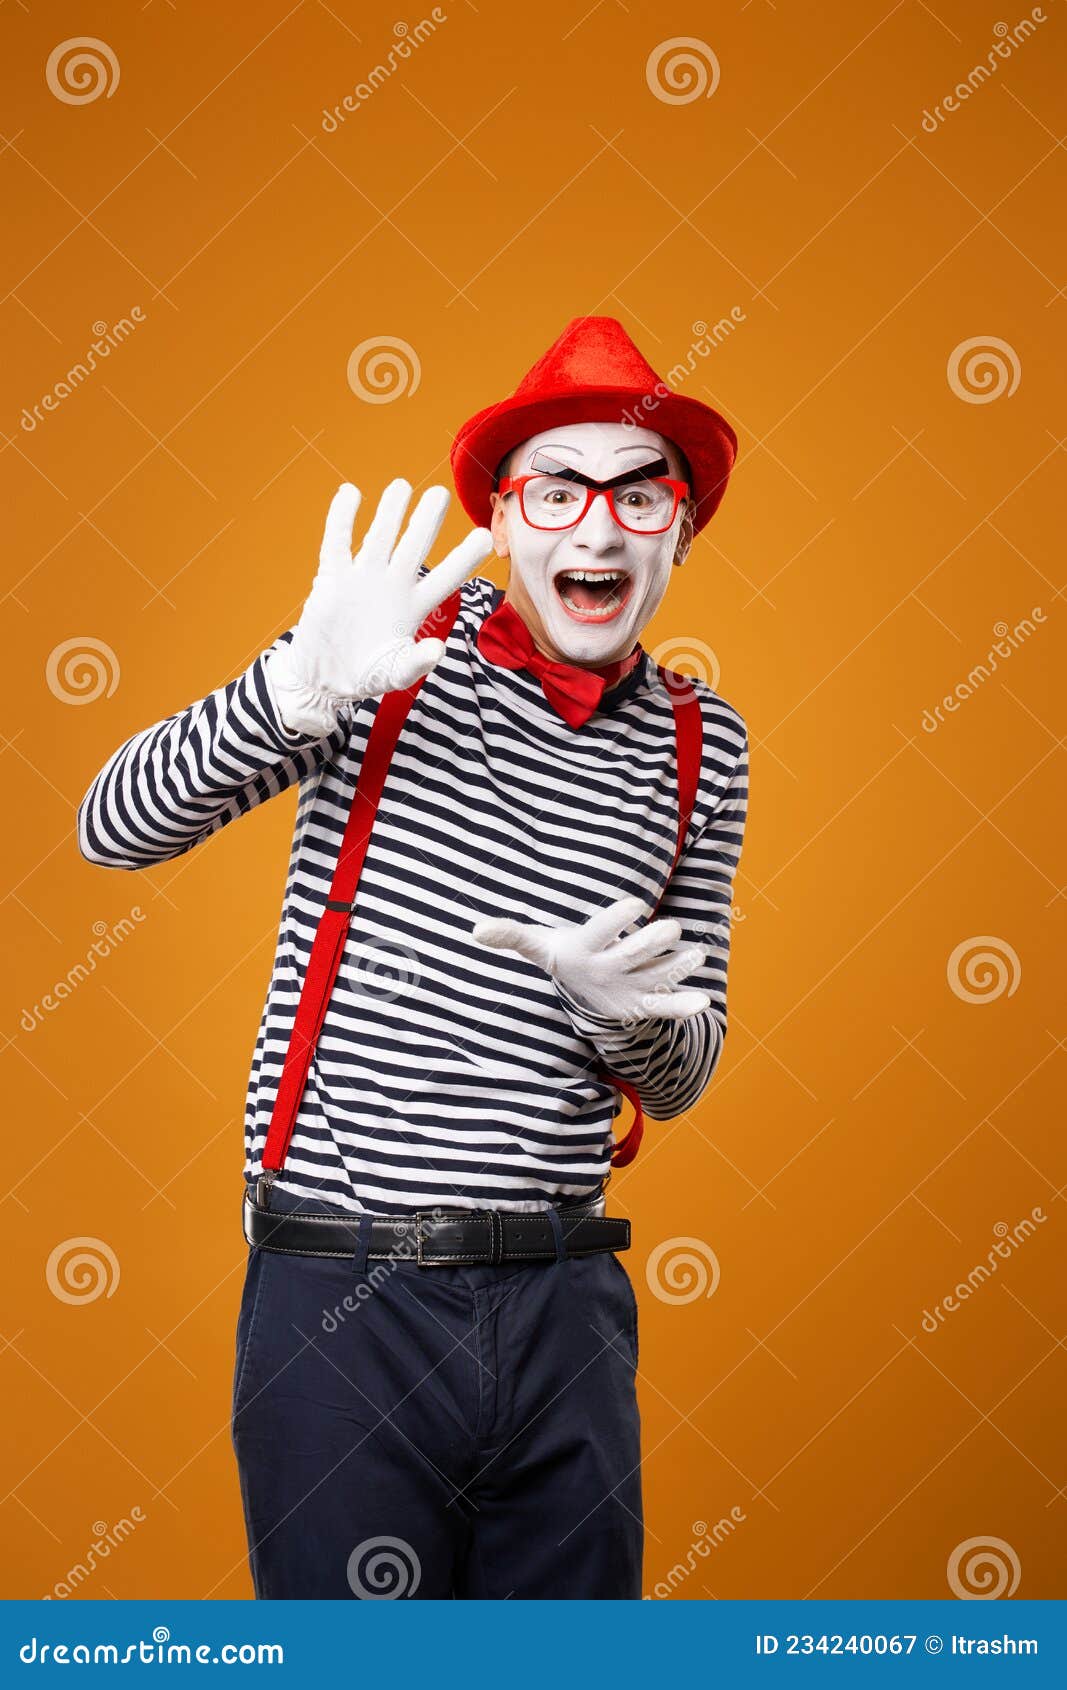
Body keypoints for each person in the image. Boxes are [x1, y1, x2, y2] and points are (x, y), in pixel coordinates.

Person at [78, 315, 749, 1600]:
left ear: (678, 526)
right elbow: (115, 829)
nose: (596, 529)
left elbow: (683, 1070)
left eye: (637, 492)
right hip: (346, 1299)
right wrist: (293, 688)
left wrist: (625, 1022)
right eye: (556, 490)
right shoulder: (390, 660)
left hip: (565, 1303)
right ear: (504, 518)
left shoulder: (697, 744)